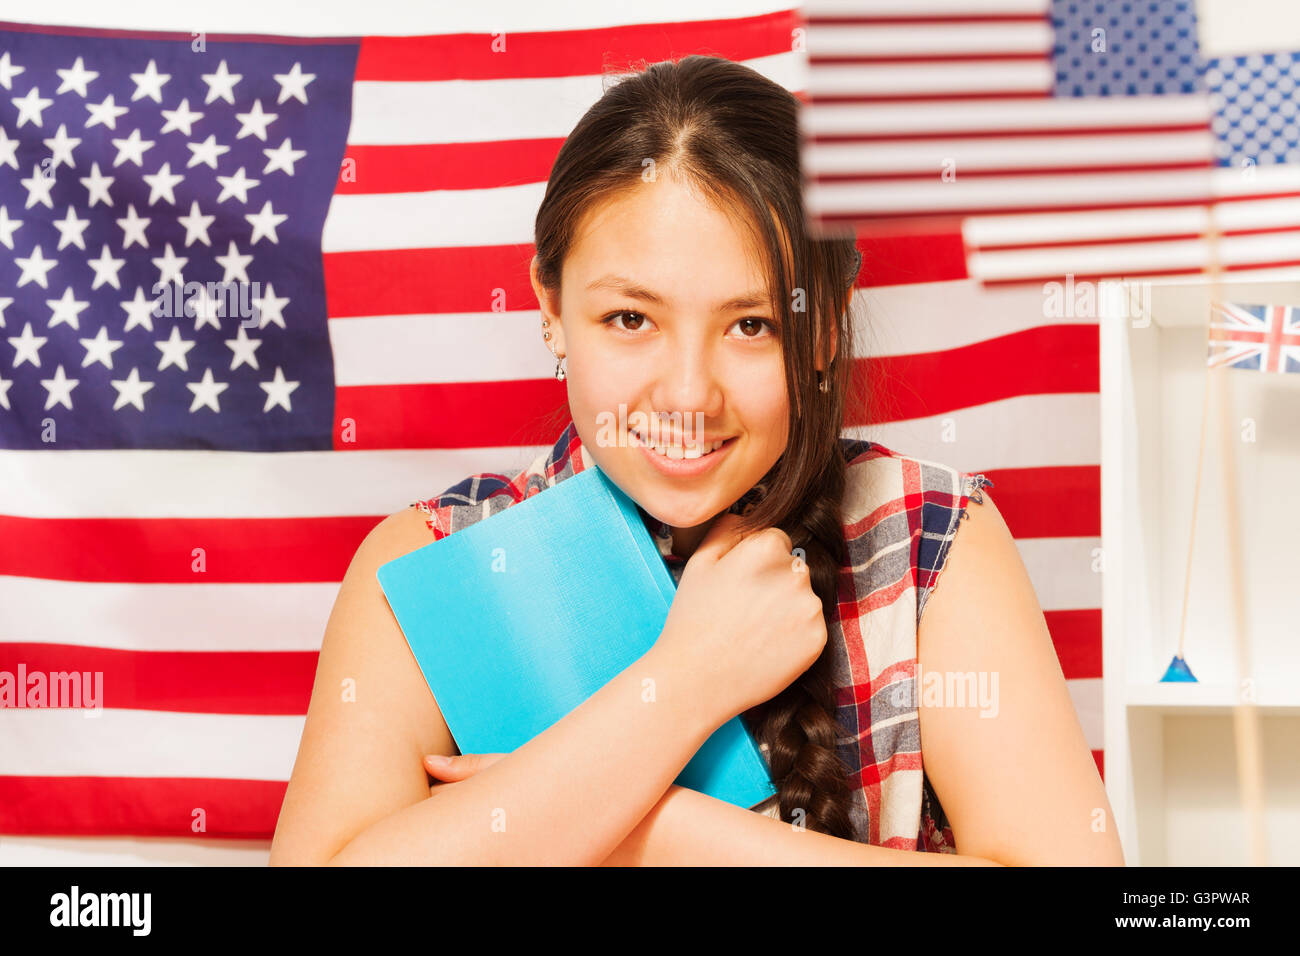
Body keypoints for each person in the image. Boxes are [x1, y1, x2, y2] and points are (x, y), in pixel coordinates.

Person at [270, 55, 1124, 866]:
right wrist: (686, 681)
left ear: (824, 329)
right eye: (630, 320)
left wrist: (663, 833)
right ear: (552, 310)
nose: (687, 395)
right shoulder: (435, 559)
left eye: (751, 325)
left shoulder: (929, 538)